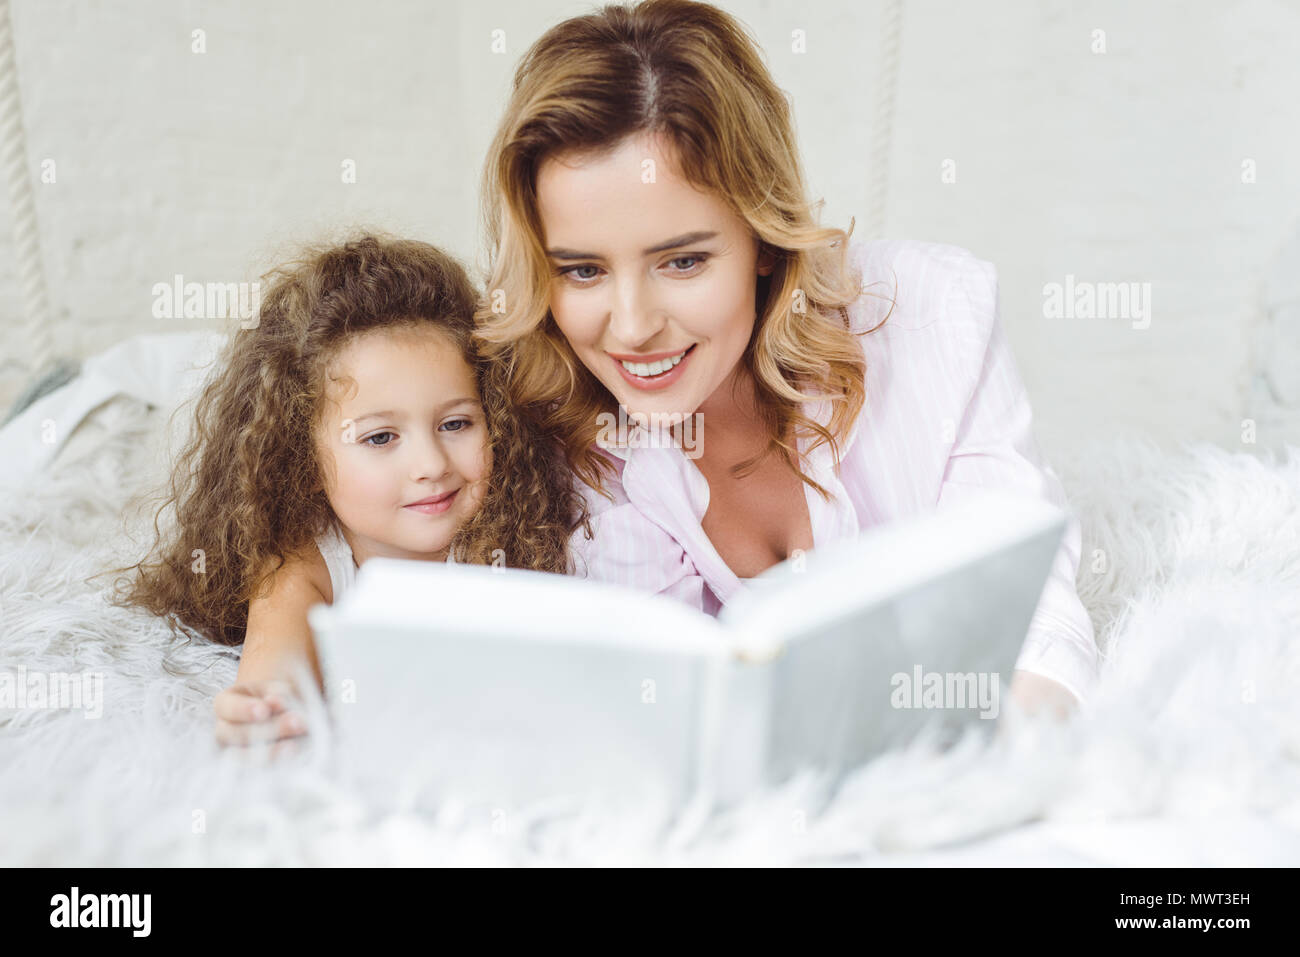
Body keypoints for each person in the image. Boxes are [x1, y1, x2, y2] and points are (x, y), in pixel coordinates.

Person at [472, 0, 1098, 717]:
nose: (634, 326)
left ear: (763, 238)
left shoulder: (937, 316)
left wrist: (1006, 768)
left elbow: (1029, 615)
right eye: (582, 270)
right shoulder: (533, 431)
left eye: (681, 261)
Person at [112, 234, 590, 745]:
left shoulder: (512, 539)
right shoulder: (306, 565)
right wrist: (262, 710)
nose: (430, 465)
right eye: (381, 437)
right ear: (300, 457)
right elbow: (275, 671)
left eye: (455, 424)